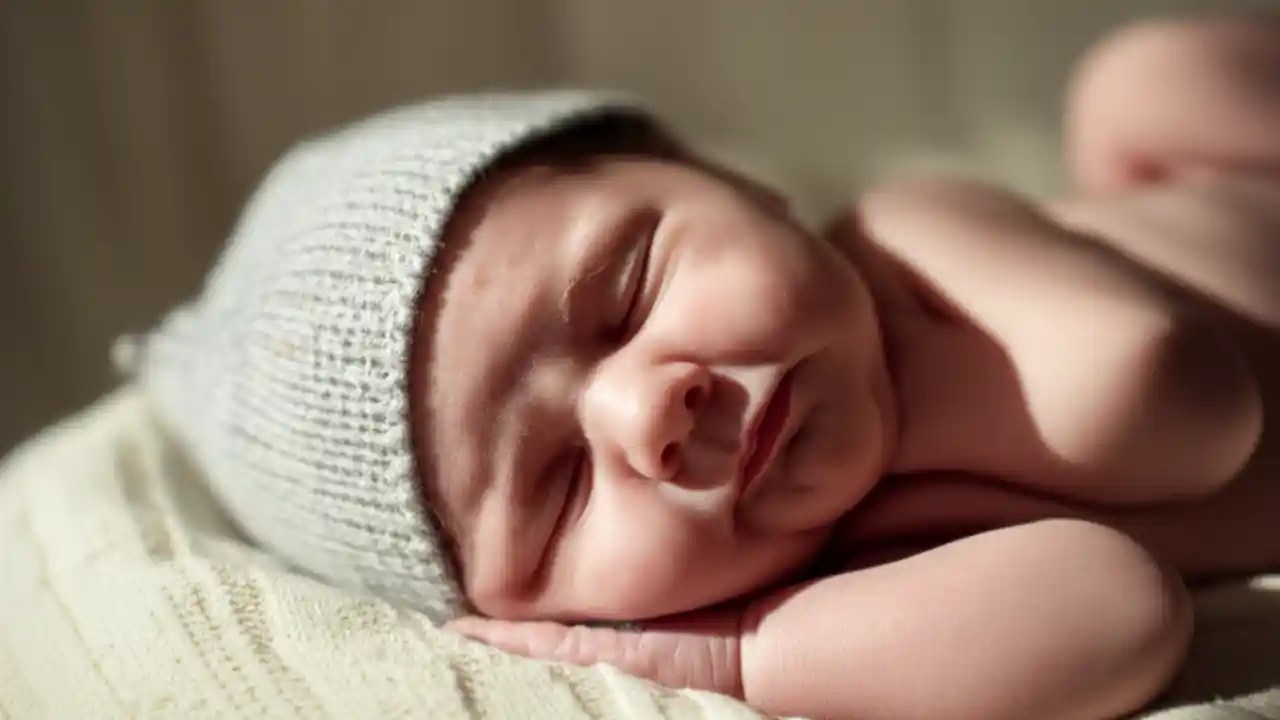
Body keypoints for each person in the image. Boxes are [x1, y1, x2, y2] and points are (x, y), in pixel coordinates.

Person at [138, 16, 1279, 720]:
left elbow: (1178, 399)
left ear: (733, 184)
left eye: (627, 291)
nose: (647, 410)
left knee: (1146, 80)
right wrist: (742, 653)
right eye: (560, 490)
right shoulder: (845, 592)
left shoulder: (910, 230)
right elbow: (1118, 611)